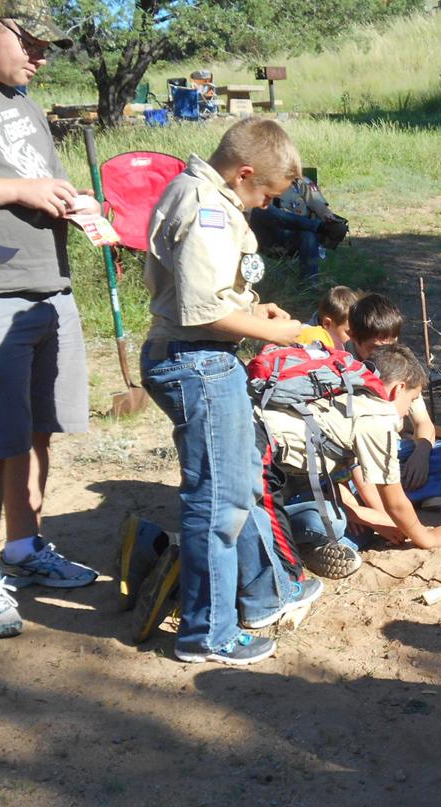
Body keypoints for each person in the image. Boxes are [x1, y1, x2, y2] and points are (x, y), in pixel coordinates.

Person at [141, 118, 321, 666]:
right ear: (244, 173)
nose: (266, 205)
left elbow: (212, 293)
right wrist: (284, 332)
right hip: (196, 362)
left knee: (241, 484)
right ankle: (208, 632)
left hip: (204, 358)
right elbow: (204, 311)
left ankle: (264, 594)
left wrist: (253, 311)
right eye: (265, 193)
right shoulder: (209, 208)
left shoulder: (196, 190)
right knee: (217, 503)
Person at [0, 2, 99, 640]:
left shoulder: (23, 101)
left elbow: (41, 179)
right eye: (33, 43)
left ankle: (25, 548)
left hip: (49, 289)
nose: (41, 58)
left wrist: (75, 202)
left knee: (36, 430)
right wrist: (17, 191)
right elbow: (13, 186)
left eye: (50, 48)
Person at [257, 344, 441, 579]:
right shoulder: (377, 417)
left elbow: (340, 472)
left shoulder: (349, 391)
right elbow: (394, 501)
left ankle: (316, 546)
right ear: (398, 389)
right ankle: (297, 548)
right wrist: (428, 537)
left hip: (287, 474)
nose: (407, 412)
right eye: (412, 399)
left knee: (358, 528)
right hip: (265, 467)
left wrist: (375, 518)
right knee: (331, 521)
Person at [347, 293, 441, 504]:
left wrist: (421, 455)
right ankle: (429, 490)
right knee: (357, 483)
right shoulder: (342, 368)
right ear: (353, 337)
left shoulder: (398, 362)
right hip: (359, 461)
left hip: (396, 453)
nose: (383, 355)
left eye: (389, 346)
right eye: (374, 349)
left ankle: (412, 490)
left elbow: (423, 423)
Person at [249, 173, 347, 282]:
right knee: (263, 209)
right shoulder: (258, 181)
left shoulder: (301, 183)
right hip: (265, 238)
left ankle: (309, 286)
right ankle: (317, 226)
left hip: (292, 239)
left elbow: (319, 205)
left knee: (308, 236)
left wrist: (327, 216)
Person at [296, 284, 359, 348]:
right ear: (327, 324)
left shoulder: (334, 336)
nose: (355, 339)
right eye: (348, 333)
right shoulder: (312, 342)